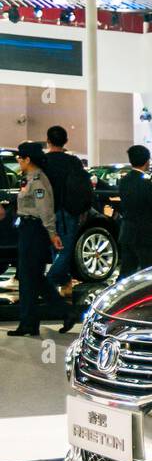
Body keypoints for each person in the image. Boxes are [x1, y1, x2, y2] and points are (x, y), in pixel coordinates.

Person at [8, 142, 75, 336]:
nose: (18, 161)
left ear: (28, 159)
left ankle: (57, 314)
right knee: (31, 278)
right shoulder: (28, 178)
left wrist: (52, 234)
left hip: (35, 231)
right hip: (28, 229)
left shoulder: (38, 180)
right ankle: (30, 322)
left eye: (20, 158)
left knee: (31, 277)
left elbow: (45, 209)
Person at [42, 125, 92, 295]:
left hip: (47, 211)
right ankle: (57, 280)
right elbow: (84, 187)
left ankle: (51, 282)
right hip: (69, 211)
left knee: (55, 248)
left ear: (48, 140)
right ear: (66, 141)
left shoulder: (43, 162)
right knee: (66, 248)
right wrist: (84, 209)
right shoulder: (73, 162)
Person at [116, 145, 152, 278]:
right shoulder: (149, 185)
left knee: (126, 271)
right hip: (145, 233)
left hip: (127, 231)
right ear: (147, 161)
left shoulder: (124, 182)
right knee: (150, 271)